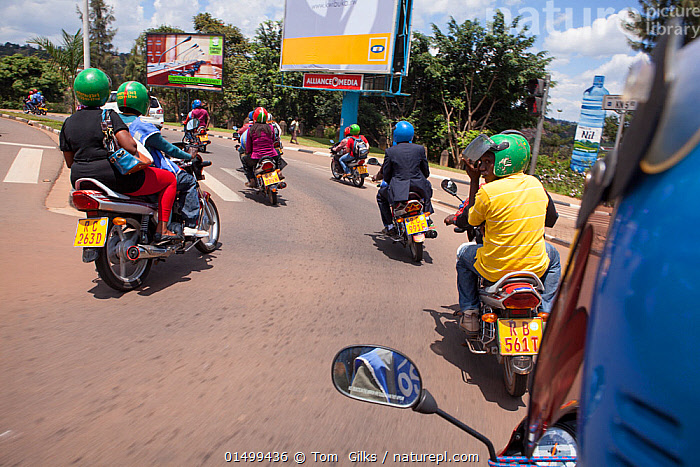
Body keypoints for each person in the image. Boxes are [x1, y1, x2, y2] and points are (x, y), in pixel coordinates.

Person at [444, 131, 561, 335]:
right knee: (554, 256)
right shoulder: (536, 185)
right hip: (534, 266)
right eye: (482, 162)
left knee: (463, 254)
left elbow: (471, 220)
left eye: (488, 162)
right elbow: (551, 219)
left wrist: (473, 181)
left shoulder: (488, 192)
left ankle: (470, 312)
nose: (482, 167)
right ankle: (547, 311)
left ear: (506, 162)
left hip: (495, 268)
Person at [59, 68, 180, 244]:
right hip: (114, 178)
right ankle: (163, 229)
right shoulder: (107, 116)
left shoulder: (68, 122)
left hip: (79, 178)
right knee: (169, 179)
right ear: (105, 93)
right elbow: (130, 147)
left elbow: (69, 161)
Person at [116, 80, 208, 238]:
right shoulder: (141, 125)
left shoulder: (113, 120)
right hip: (150, 172)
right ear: (143, 102)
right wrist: (188, 156)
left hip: (121, 173)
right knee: (188, 181)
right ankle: (191, 225)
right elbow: (168, 148)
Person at [374, 121, 435, 237]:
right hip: (420, 188)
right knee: (426, 190)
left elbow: (386, 175)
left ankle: (389, 226)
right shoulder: (420, 149)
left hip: (398, 190)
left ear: (395, 135)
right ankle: (427, 217)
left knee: (381, 196)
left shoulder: (391, 151)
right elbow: (426, 171)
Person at [241, 107, 285, 188]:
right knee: (278, 154)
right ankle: (279, 172)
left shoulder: (251, 129)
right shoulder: (271, 128)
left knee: (244, 160)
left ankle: (252, 180)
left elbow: (249, 145)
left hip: (256, 156)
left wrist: (248, 152)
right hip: (271, 154)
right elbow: (273, 140)